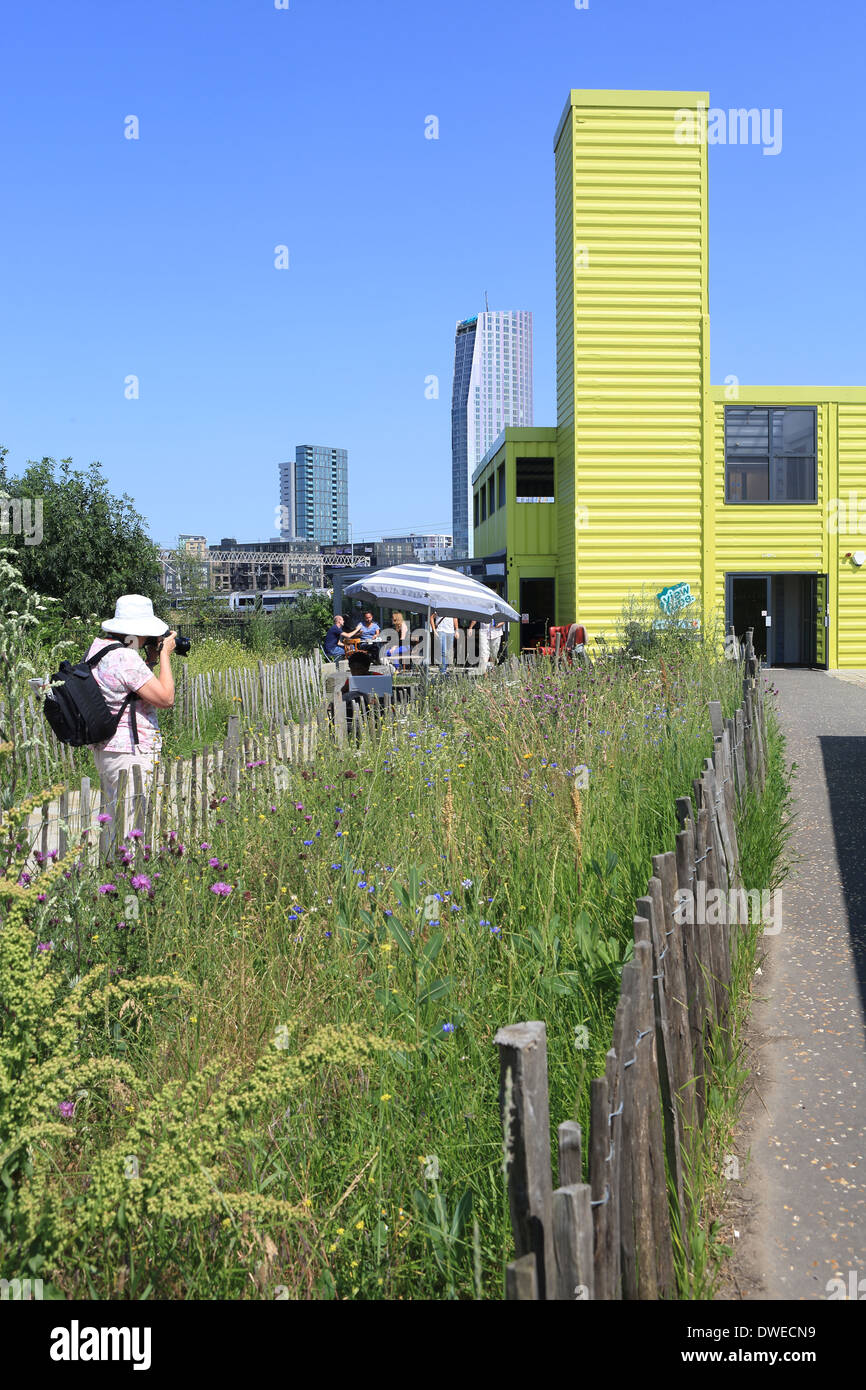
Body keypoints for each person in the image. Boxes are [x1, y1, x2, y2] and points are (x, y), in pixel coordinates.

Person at [87, 594, 176, 831]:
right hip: (128, 753)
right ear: (138, 630)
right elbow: (166, 698)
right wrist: (165, 655)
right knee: (130, 825)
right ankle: (126, 868)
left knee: (114, 820)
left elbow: (126, 690)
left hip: (108, 749)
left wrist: (150, 660)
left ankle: (111, 866)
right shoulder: (125, 657)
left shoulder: (99, 649)